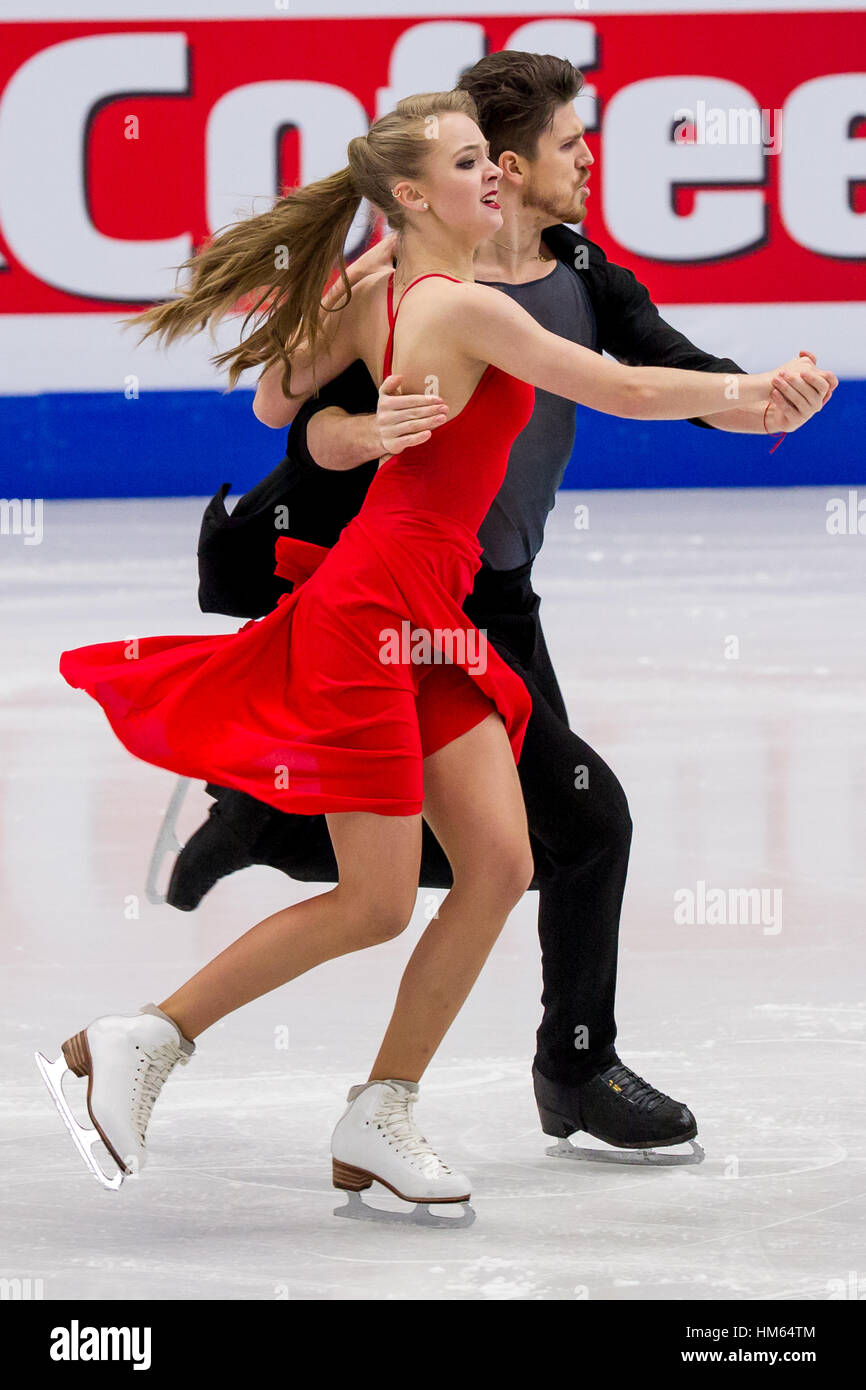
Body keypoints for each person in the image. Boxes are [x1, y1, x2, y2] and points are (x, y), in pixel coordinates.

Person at [38, 87, 819, 1216]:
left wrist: (348, 425)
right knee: (378, 899)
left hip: (427, 611)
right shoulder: (460, 305)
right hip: (371, 612)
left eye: (491, 160)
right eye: (470, 164)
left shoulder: (382, 284)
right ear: (412, 195)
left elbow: (273, 398)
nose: (493, 177)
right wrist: (760, 394)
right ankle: (141, 1039)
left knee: (500, 863)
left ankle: (380, 1112)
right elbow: (625, 388)